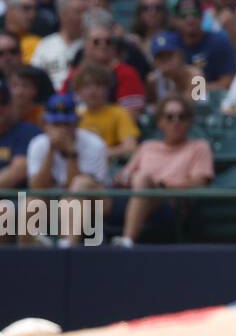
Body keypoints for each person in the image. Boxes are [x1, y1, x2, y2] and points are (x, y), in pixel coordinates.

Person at [112, 96, 213, 247]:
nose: (176, 122)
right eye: (169, 117)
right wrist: (122, 179)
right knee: (82, 184)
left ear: (190, 122)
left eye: (182, 117)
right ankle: (69, 245)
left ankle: (127, 241)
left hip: (170, 205)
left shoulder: (199, 147)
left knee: (142, 178)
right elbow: (125, 174)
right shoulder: (147, 146)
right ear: (160, 122)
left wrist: (163, 186)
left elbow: (199, 182)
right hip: (131, 197)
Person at [26, 93, 109, 245]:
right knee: (30, 203)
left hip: (93, 203)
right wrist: (51, 151)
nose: (62, 130)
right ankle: (24, 257)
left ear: (77, 122)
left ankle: (66, 249)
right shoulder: (38, 144)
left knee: (78, 189)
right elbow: (37, 188)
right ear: (45, 123)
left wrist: (71, 154)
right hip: (52, 200)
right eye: (56, 124)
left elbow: (73, 188)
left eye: (67, 124)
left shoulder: (94, 144)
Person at [72, 62, 139, 160]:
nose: (93, 90)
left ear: (107, 89)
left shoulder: (119, 113)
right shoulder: (76, 115)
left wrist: (100, 154)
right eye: (86, 86)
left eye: (98, 85)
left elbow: (130, 147)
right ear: (78, 91)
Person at [0, 80, 42, 188]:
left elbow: (18, 172)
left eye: (3, 102)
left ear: (12, 104)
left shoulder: (28, 132)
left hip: (16, 200)